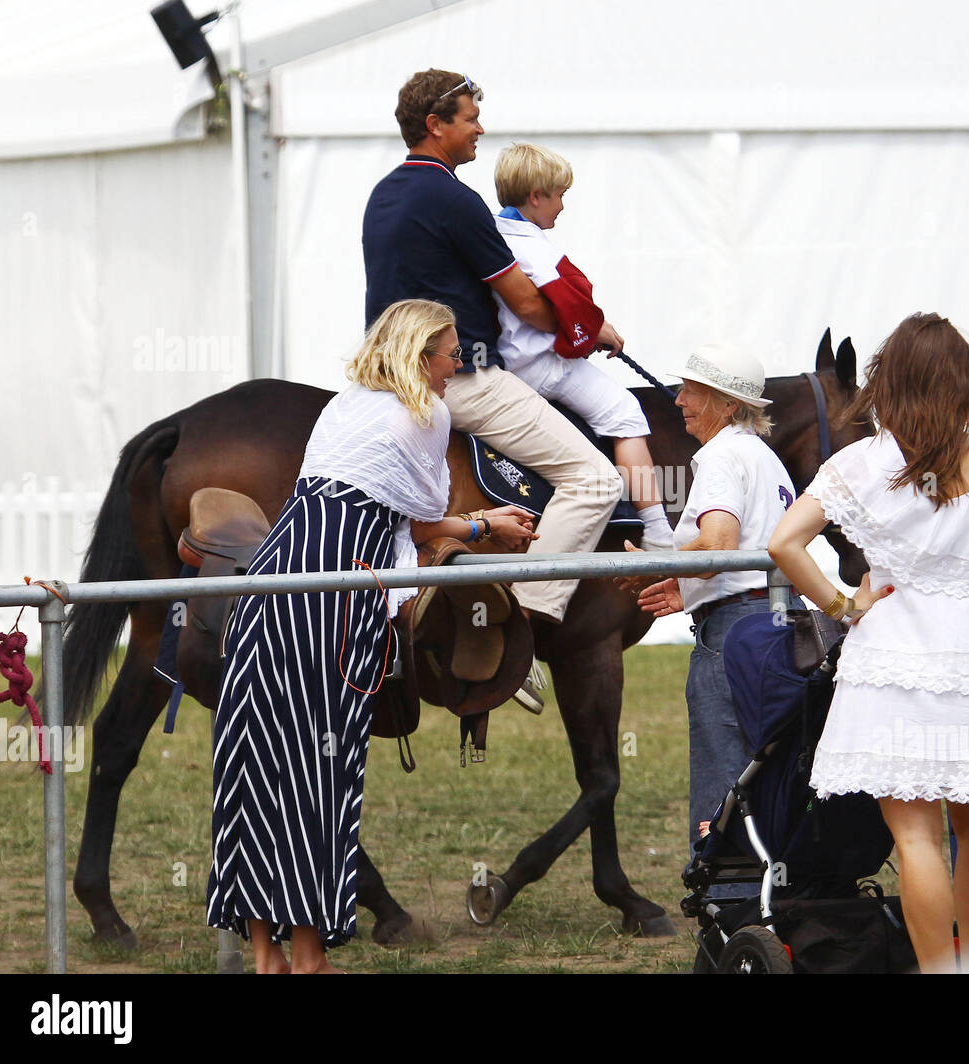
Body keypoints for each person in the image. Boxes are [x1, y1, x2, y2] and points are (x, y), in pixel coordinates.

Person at [206, 300, 537, 973]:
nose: (455, 367)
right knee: (319, 772)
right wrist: (483, 527)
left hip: (273, 576)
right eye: (449, 354)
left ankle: (267, 953)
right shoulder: (424, 415)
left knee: (254, 763)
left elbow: (362, 504)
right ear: (420, 356)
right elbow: (413, 524)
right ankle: (309, 958)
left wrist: (473, 526)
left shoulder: (345, 405)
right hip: (336, 592)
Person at [767, 313, 969, 973]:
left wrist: (846, 603)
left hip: (888, 659)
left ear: (887, 382)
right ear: (964, 383)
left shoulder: (859, 463)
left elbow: (785, 542)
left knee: (918, 840)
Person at [362, 70, 623, 650]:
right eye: (470, 118)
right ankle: (522, 628)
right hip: (461, 380)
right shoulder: (455, 198)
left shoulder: (382, 194)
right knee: (596, 479)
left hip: (380, 385)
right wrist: (590, 326)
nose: (480, 129)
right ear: (435, 126)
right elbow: (528, 305)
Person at [619, 342, 796, 853]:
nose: (678, 400)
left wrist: (654, 565)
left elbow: (718, 543)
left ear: (728, 403)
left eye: (693, 390)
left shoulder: (720, 456)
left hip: (736, 632)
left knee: (724, 775)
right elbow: (744, 549)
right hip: (778, 624)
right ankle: (770, 900)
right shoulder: (764, 458)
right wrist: (690, 587)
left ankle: (726, 908)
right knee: (767, 772)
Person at [491, 142, 673, 548]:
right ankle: (659, 532)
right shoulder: (536, 247)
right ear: (536, 196)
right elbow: (575, 305)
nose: (562, 206)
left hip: (502, 366)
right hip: (541, 366)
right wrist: (596, 331)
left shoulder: (490, 232)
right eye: (560, 196)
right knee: (625, 413)